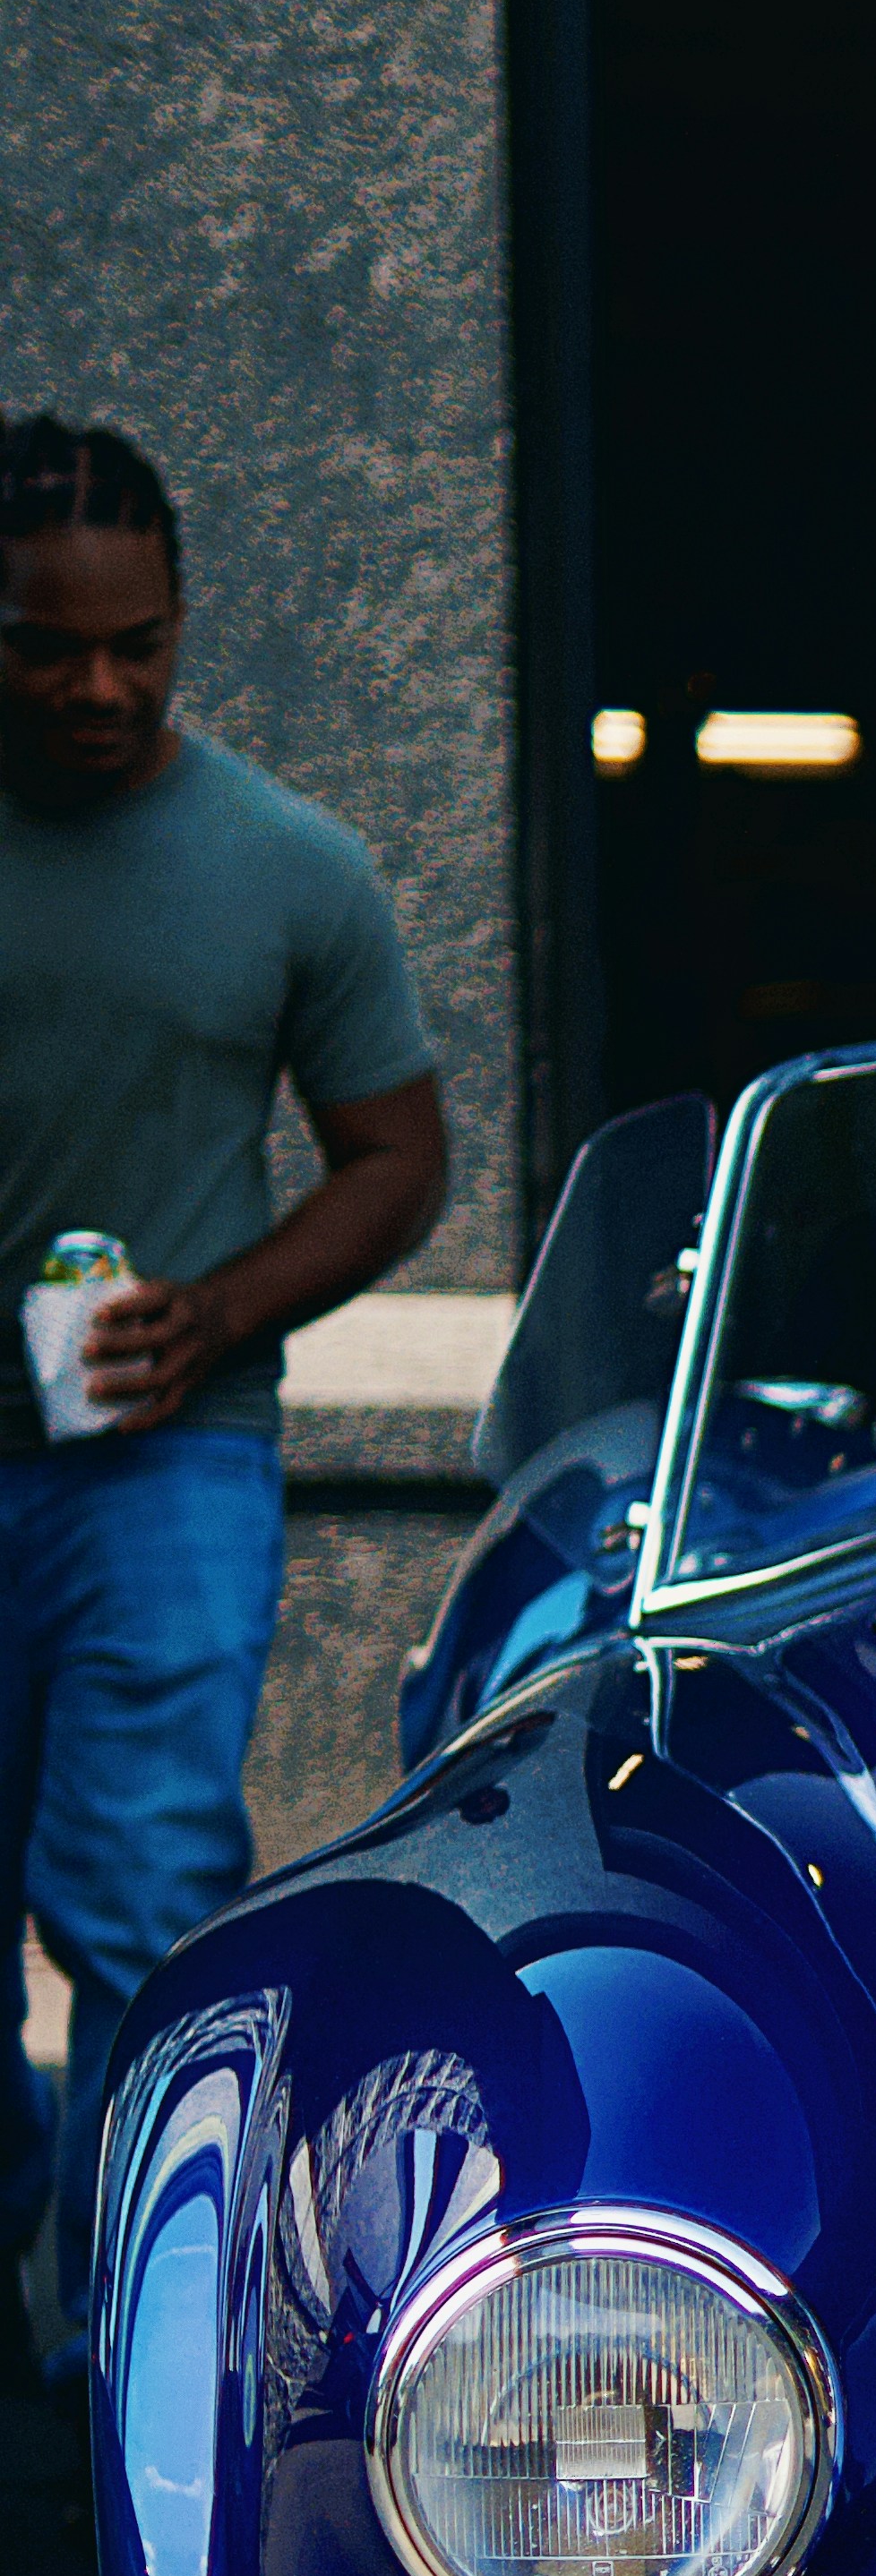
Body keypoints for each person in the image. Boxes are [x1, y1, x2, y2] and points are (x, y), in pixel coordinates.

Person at [0, 412, 447, 2378]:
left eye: (140, 645)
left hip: (170, 1464)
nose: (100, 687)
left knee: (143, 1901)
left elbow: (398, 1156)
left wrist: (219, 1313)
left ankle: (128, 2343)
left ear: (183, 623)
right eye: (47, 648)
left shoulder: (289, 867)